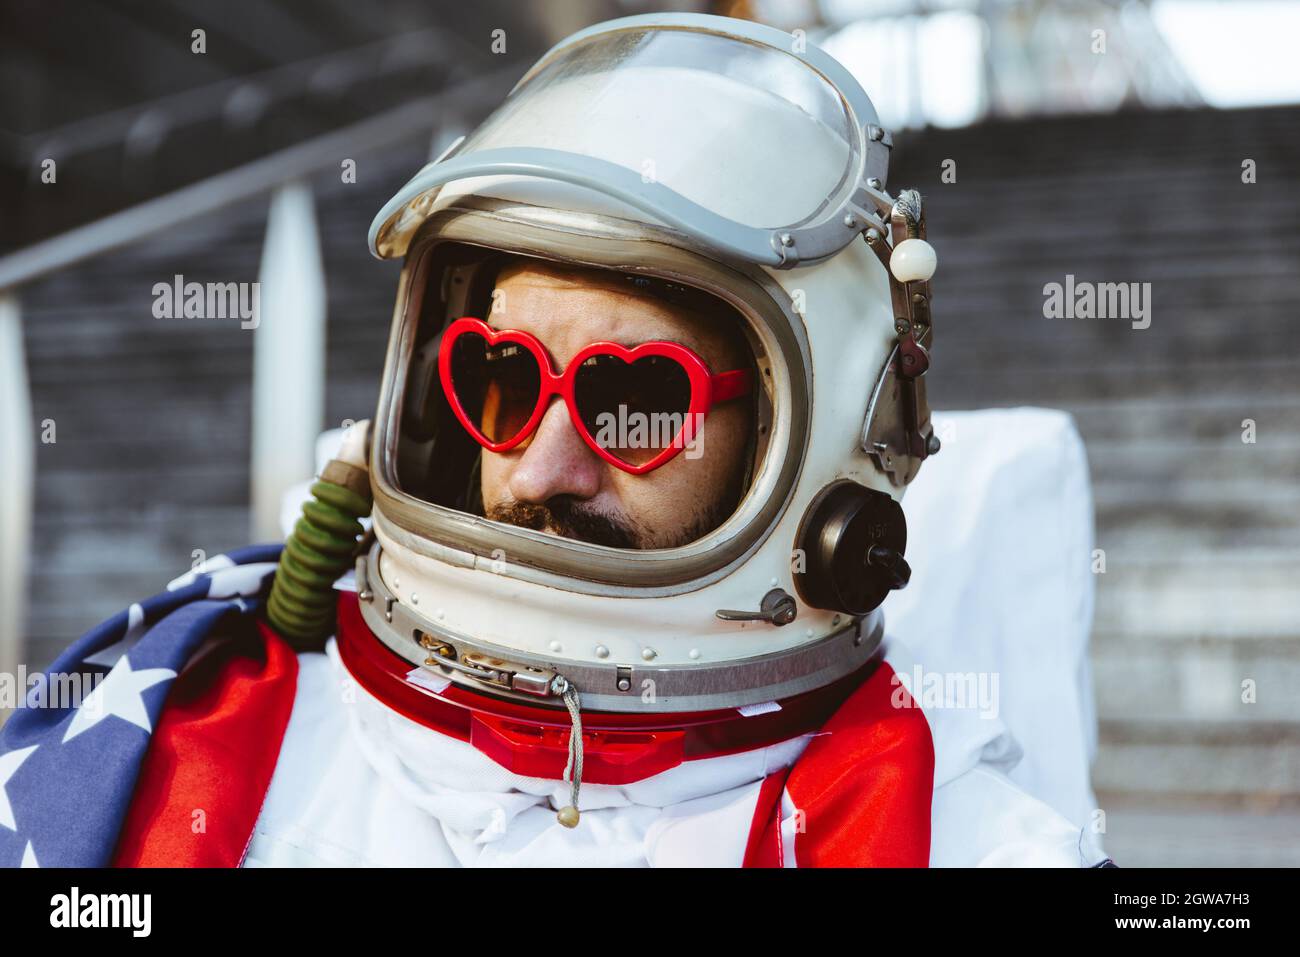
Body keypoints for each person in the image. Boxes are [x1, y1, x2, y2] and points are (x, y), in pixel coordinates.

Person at [0, 12, 1110, 868]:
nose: (539, 469)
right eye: (501, 380)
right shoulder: (190, 743)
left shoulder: (967, 841)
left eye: (635, 401)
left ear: (805, 437)